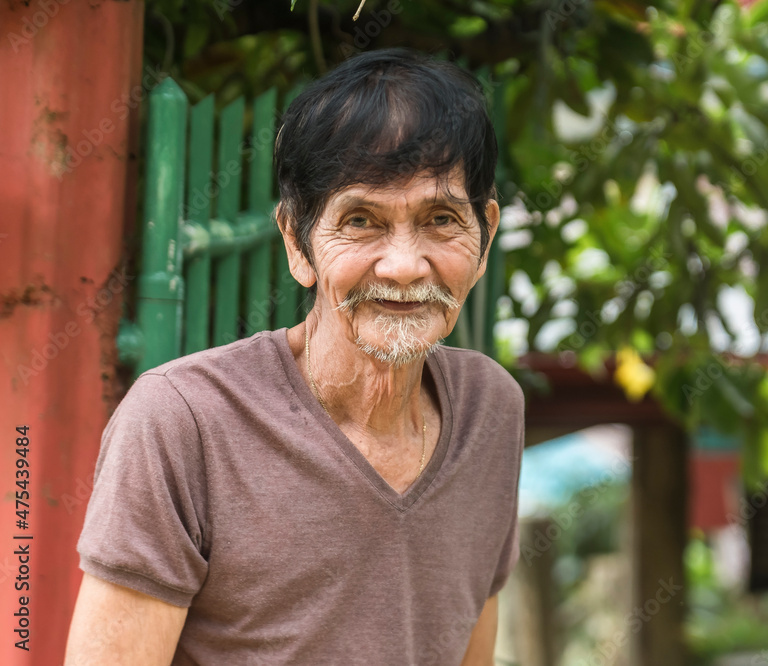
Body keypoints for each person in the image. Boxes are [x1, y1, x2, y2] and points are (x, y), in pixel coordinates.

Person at [65, 48, 524, 665]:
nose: (404, 266)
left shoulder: (490, 412)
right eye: (360, 221)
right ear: (297, 243)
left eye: (441, 218)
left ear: (485, 236)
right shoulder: (182, 421)